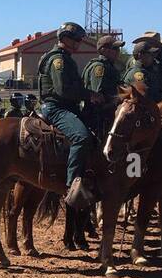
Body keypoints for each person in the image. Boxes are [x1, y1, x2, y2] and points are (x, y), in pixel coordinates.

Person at [35, 20, 95, 209]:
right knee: (81, 137)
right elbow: (62, 91)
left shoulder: (67, 57)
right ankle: (72, 184)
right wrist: (90, 95)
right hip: (55, 108)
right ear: (65, 38)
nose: (78, 42)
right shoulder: (58, 60)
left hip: (67, 107)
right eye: (75, 38)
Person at [82, 33, 125, 140]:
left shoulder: (109, 66)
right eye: (114, 48)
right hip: (98, 116)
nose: (118, 51)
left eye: (118, 49)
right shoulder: (99, 67)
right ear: (103, 50)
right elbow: (98, 96)